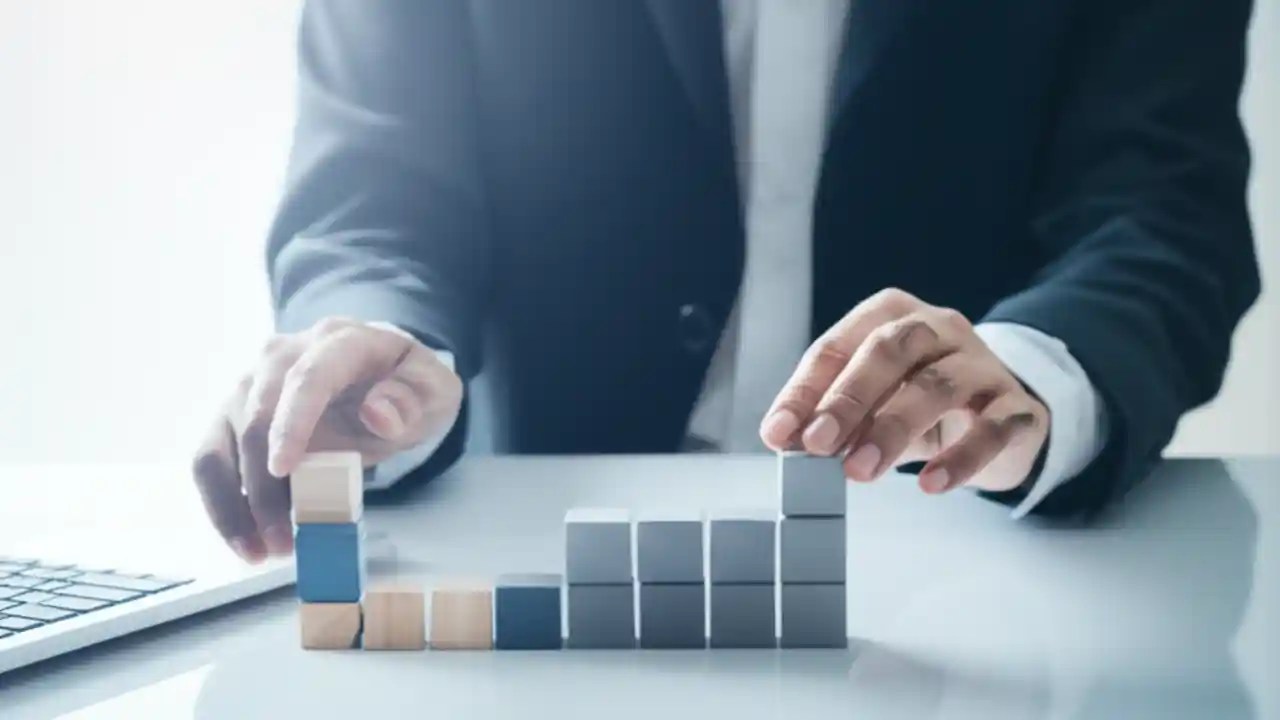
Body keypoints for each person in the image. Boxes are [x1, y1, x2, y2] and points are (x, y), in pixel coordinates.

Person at [192, 1, 1259, 563]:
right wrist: (378, 342)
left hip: (964, 567)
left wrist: (1026, 373)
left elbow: (1160, 207)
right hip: (536, 552)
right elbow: (375, 181)